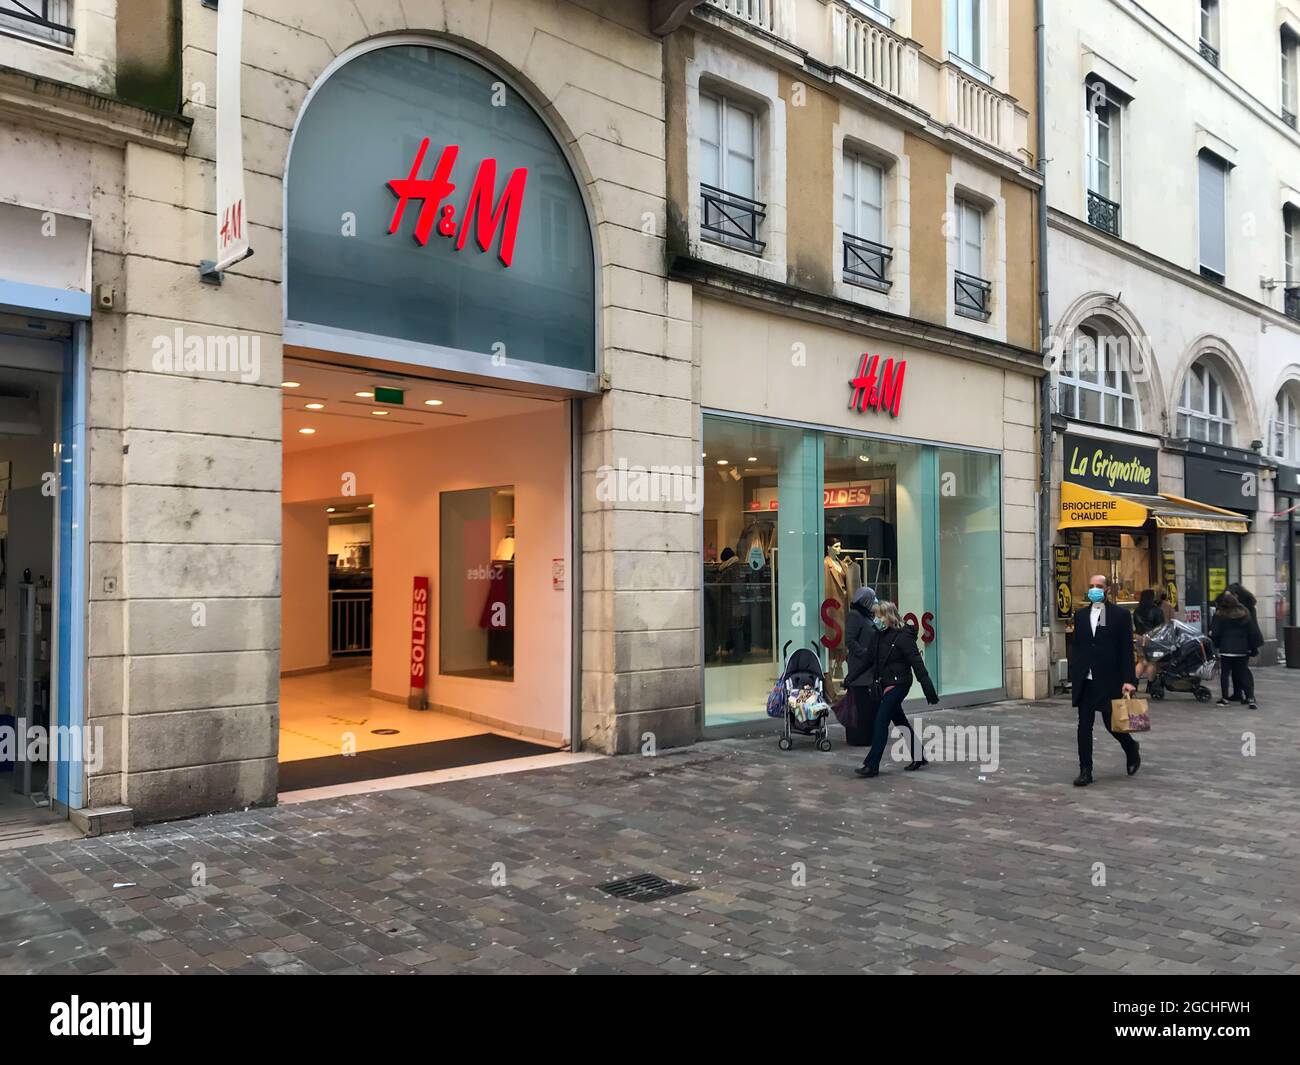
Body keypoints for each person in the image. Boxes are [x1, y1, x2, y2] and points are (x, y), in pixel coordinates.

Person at [854, 600, 939, 779]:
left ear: (889, 617)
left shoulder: (903, 636)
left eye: (879, 616)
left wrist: (927, 686)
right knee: (899, 720)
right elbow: (869, 660)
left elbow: (916, 661)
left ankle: (872, 765)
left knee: (880, 720)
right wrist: (850, 678)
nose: (876, 619)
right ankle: (919, 756)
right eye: (875, 616)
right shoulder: (877, 636)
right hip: (885, 683)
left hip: (899, 683)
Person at [1069, 574, 1140, 787]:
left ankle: (1131, 748)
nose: (1094, 590)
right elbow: (1080, 646)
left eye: (1099, 586)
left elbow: (1127, 649)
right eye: (1091, 586)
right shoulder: (1080, 615)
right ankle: (1085, 770)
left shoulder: (1119, 615)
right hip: (1086, 679)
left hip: (1109, 678)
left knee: (1113, 724)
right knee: (1084, 725)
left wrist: (1129, 679)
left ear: (1108, 589)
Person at [1210, 591, 1263, 709]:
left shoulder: (1220, 614)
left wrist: (1217, 644)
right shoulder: (1244, 613)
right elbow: (1251, 632)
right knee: (1243, 673)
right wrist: (1252, 648)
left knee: (1225, 674)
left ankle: (1224, 698)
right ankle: (1250, 698)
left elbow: (1216, 633)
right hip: (1242, 649)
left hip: (1226, 648)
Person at [843, 586, 879, 746]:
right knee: (861, 705)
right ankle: (860, 736)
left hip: (868, 667)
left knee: (868, 706)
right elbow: (849, 639)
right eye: (872, 599)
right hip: (860, 667)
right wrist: (865, 653)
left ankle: (868, 735)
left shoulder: (868, 615)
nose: (875, 602)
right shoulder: (855, 615)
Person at [1132, 588, 1166, 692]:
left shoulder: (1137, 610)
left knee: (1142, 661)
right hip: (1152, 638)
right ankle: (1150, 685)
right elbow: (1161, 626)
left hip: (1138, 637)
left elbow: (1136, 624)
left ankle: (1134, 683)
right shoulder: (1157, 610)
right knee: (1151, 662)